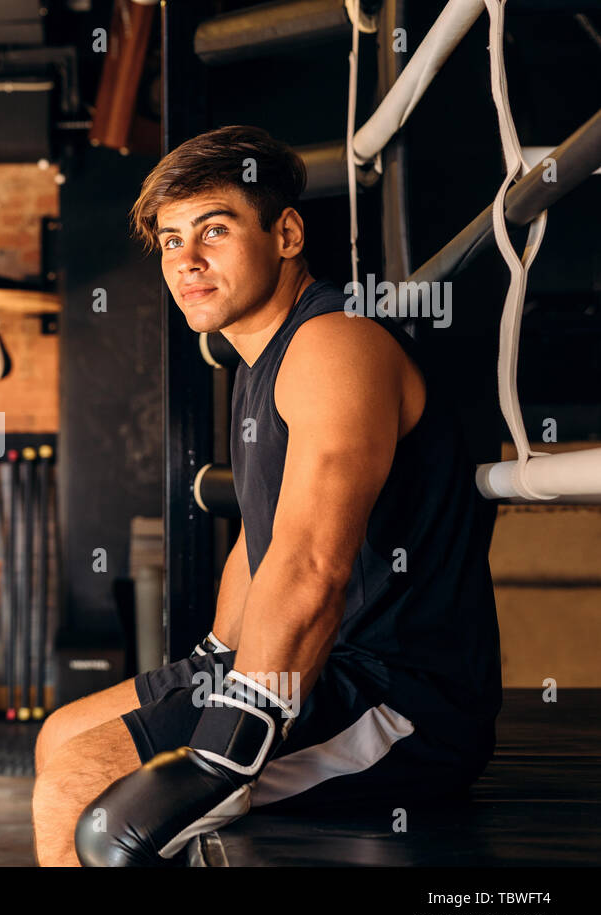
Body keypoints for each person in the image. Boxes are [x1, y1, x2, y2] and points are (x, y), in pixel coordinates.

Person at [31, 125, 502, 867]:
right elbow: (265, 538)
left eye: (213, 230)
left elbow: (314, 565)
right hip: (317, 675)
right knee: (61, 735)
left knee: (75, 788)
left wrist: (231, 740)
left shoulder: (332, 345)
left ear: (285, 233)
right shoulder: (257, 356)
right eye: (170, 240)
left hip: (396, 700)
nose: (186, 260)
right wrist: (215, 661)